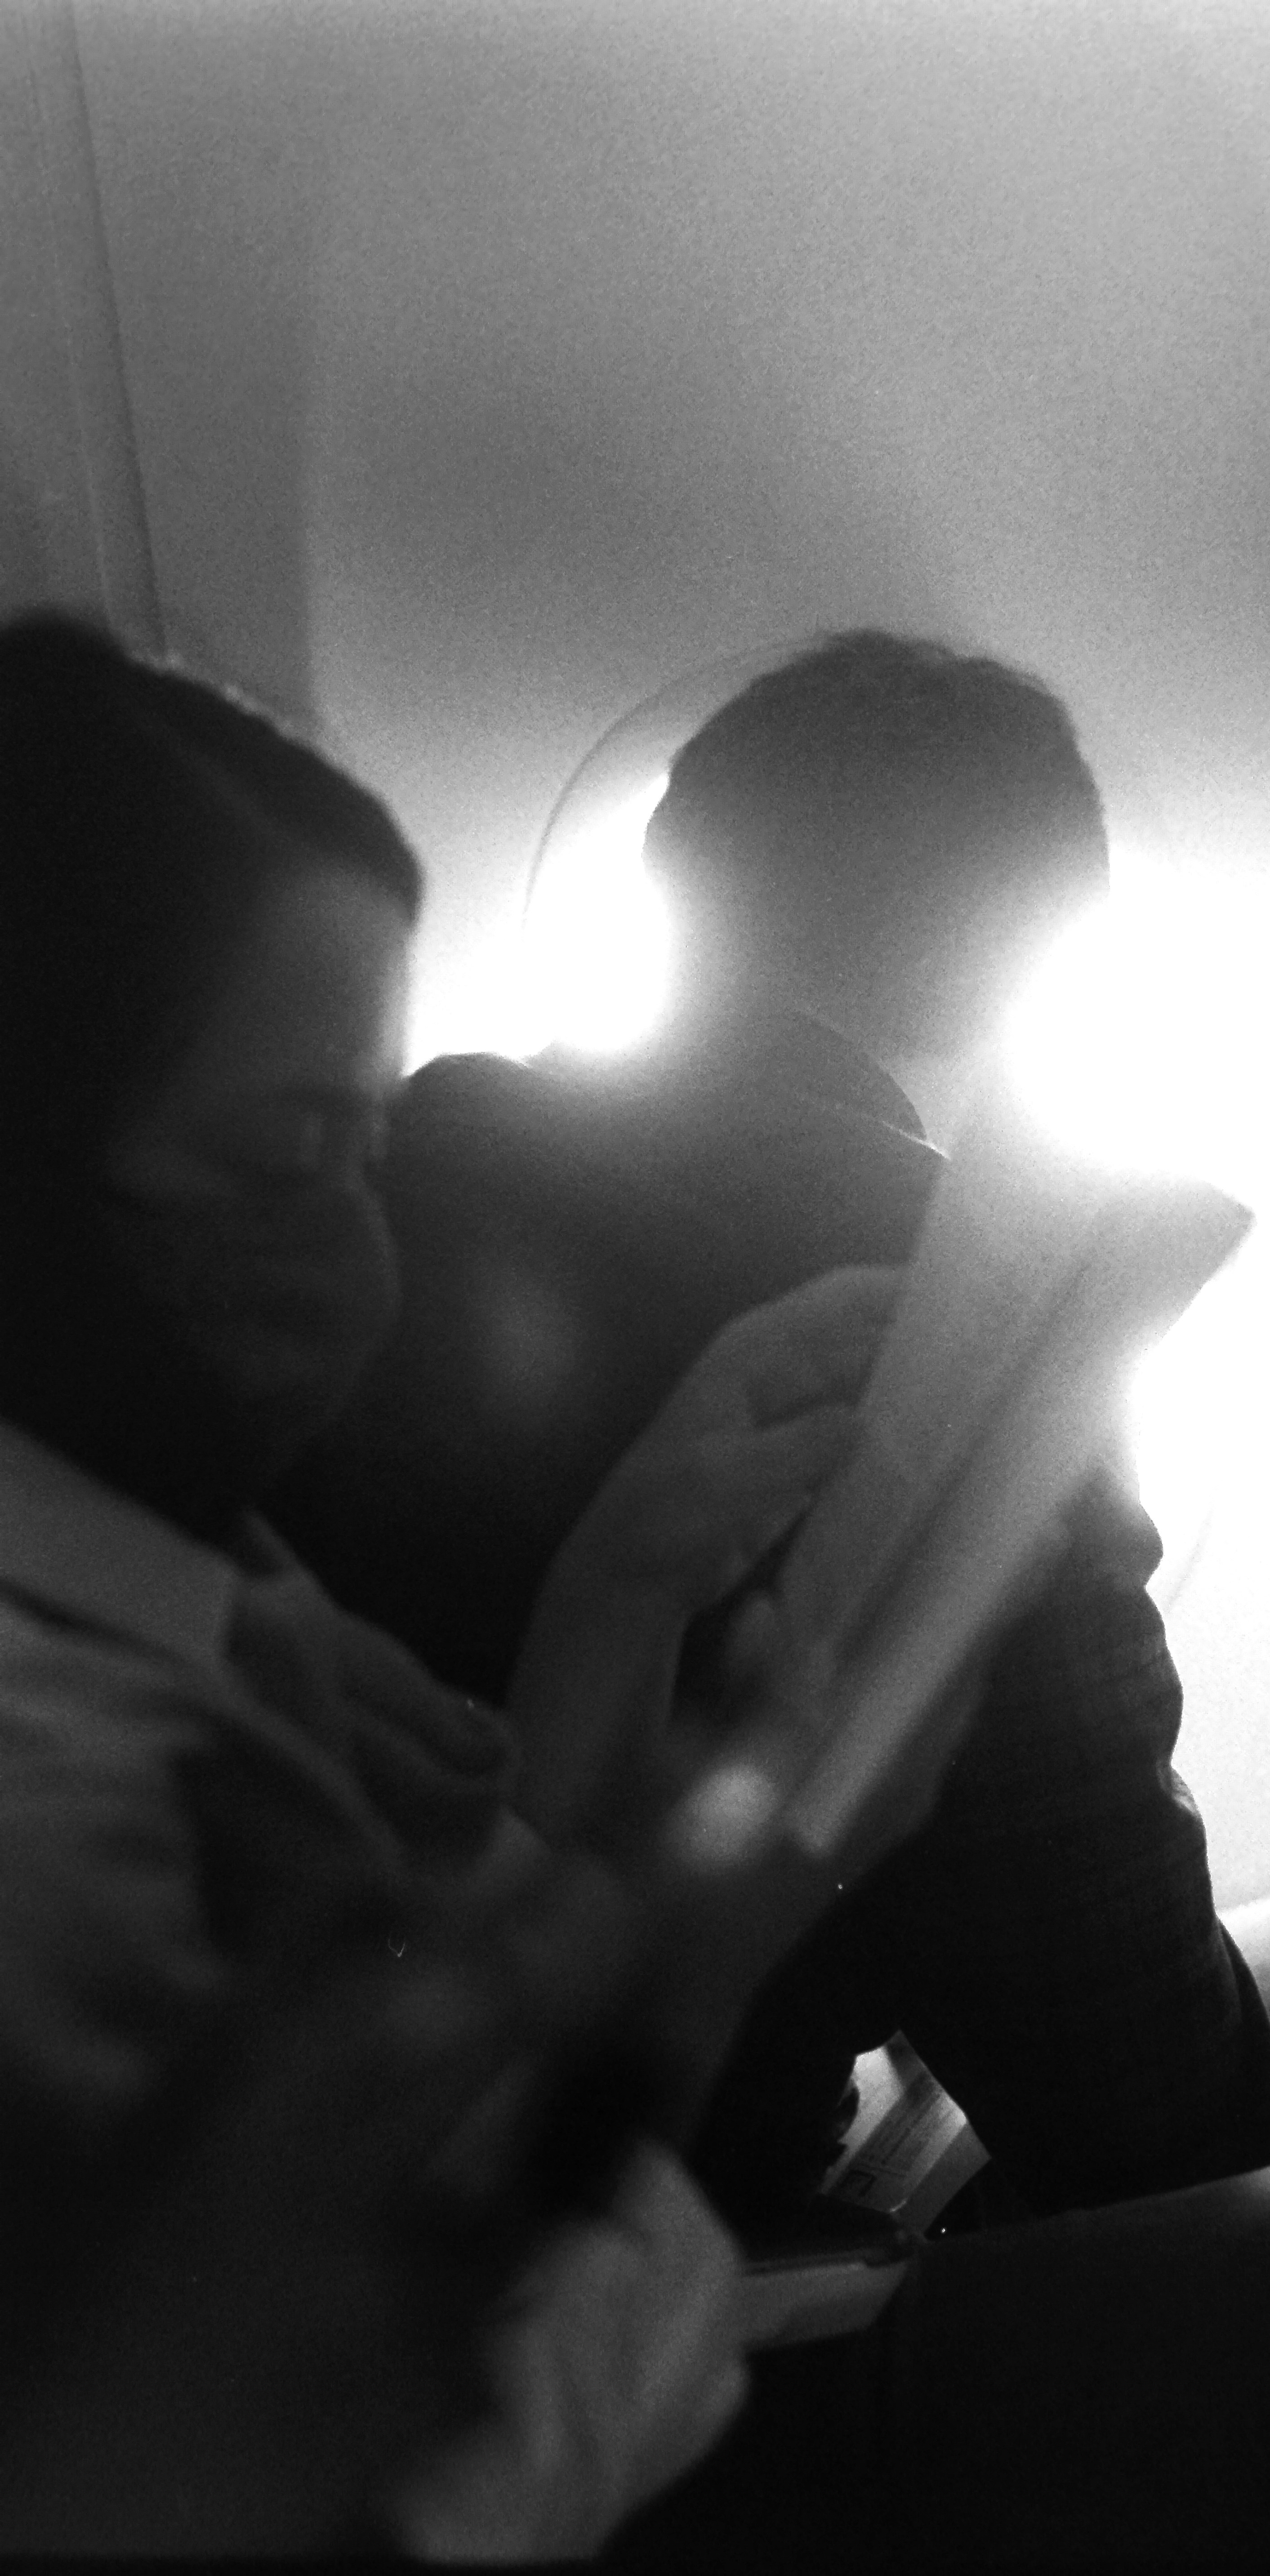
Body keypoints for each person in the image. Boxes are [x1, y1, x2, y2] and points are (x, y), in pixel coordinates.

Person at [277, 632, 1270, 2239]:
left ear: (667, 892)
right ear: (1024, 974)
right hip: (703, 2288)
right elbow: (1145, 2128)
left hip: (525, 2153)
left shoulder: (417, 1163)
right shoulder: (968, 1331)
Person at [0, 610, 951, 2551]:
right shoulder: (61, 1817)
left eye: (373, 1133)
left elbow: (457, 1943)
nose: (362, 1244)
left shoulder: (185, 1560)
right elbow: (422, 2468)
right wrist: (712, 1936)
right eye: (288, 1151)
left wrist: (631, 1564)